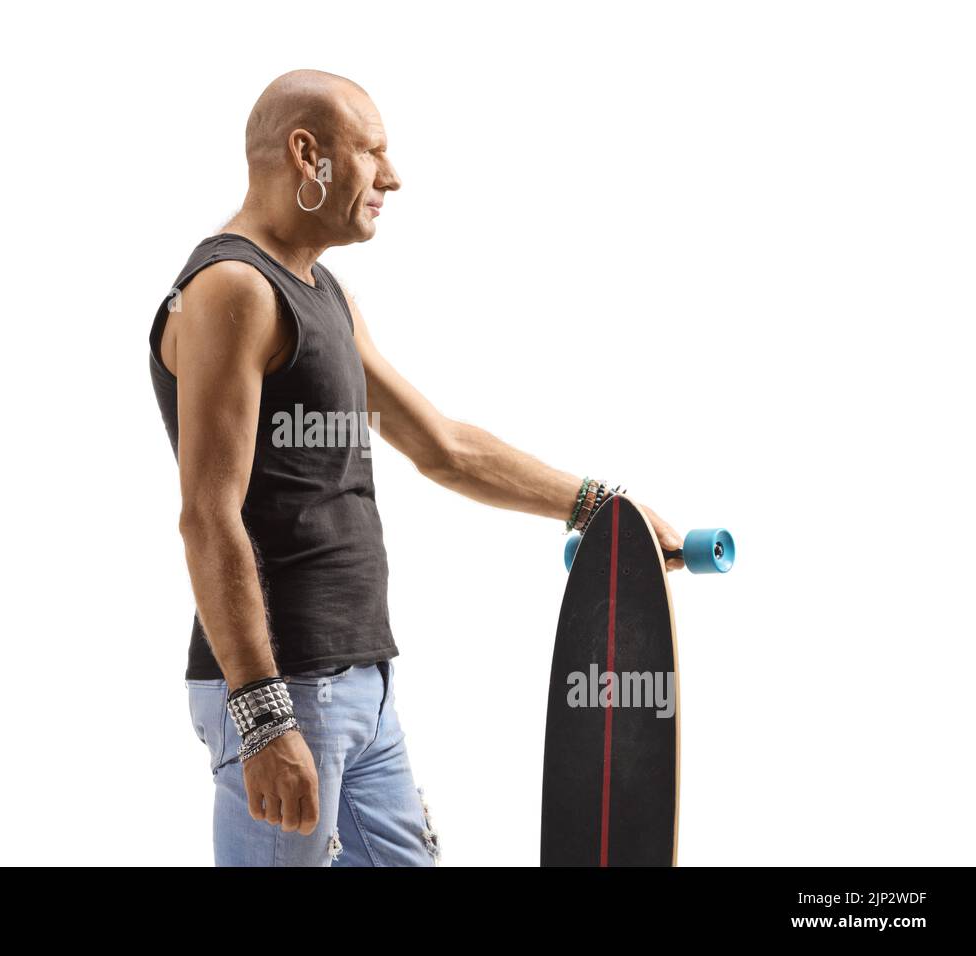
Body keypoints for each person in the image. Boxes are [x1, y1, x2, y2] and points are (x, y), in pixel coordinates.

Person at [148, 69, 684, 866]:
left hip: (362, 681)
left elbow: (441, 446)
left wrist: (600, 507)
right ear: (308, 155)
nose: (392, 177)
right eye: (372, 152)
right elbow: (207, 515)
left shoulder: (322, 291)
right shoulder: (232, 288)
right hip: (284, 686)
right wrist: (262, 713)